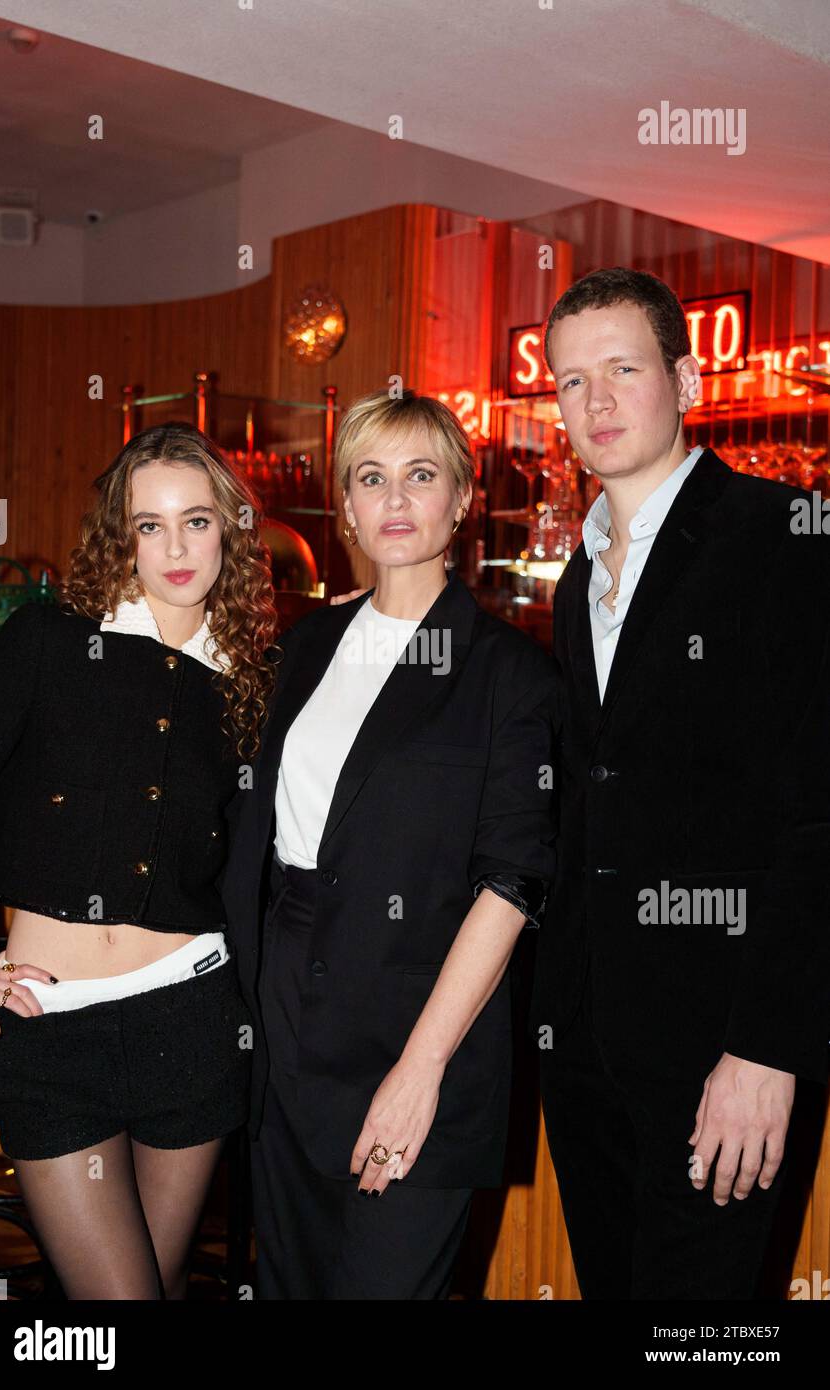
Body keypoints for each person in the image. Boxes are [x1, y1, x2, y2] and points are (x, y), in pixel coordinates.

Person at [529, 266, 830, 1300]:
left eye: (621, 370)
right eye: (570, 382)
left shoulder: (783, 541)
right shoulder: (577, 578)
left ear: (686, 379)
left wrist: (766, 1048)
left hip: (723, 1050)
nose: (595, 402)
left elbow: (816, 818)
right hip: (586, 1049)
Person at [220, 389, 558, 1299]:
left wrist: (419, 1071)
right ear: (347, 509)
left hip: (421, 1032)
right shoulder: (306, 644)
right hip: (285, 1029)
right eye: (372, 478)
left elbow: (513, 883)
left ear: (461, 501)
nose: (396, 499)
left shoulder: (509, 671)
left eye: (421, 476)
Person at [0, 422, 277, 1299]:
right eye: (149, 525)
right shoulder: (48, 644)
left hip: (193, 1027)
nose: (175, 548)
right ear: (120, 534)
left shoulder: (254, 684)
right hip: (51, 1033)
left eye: (197, 521)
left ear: (231, 530)